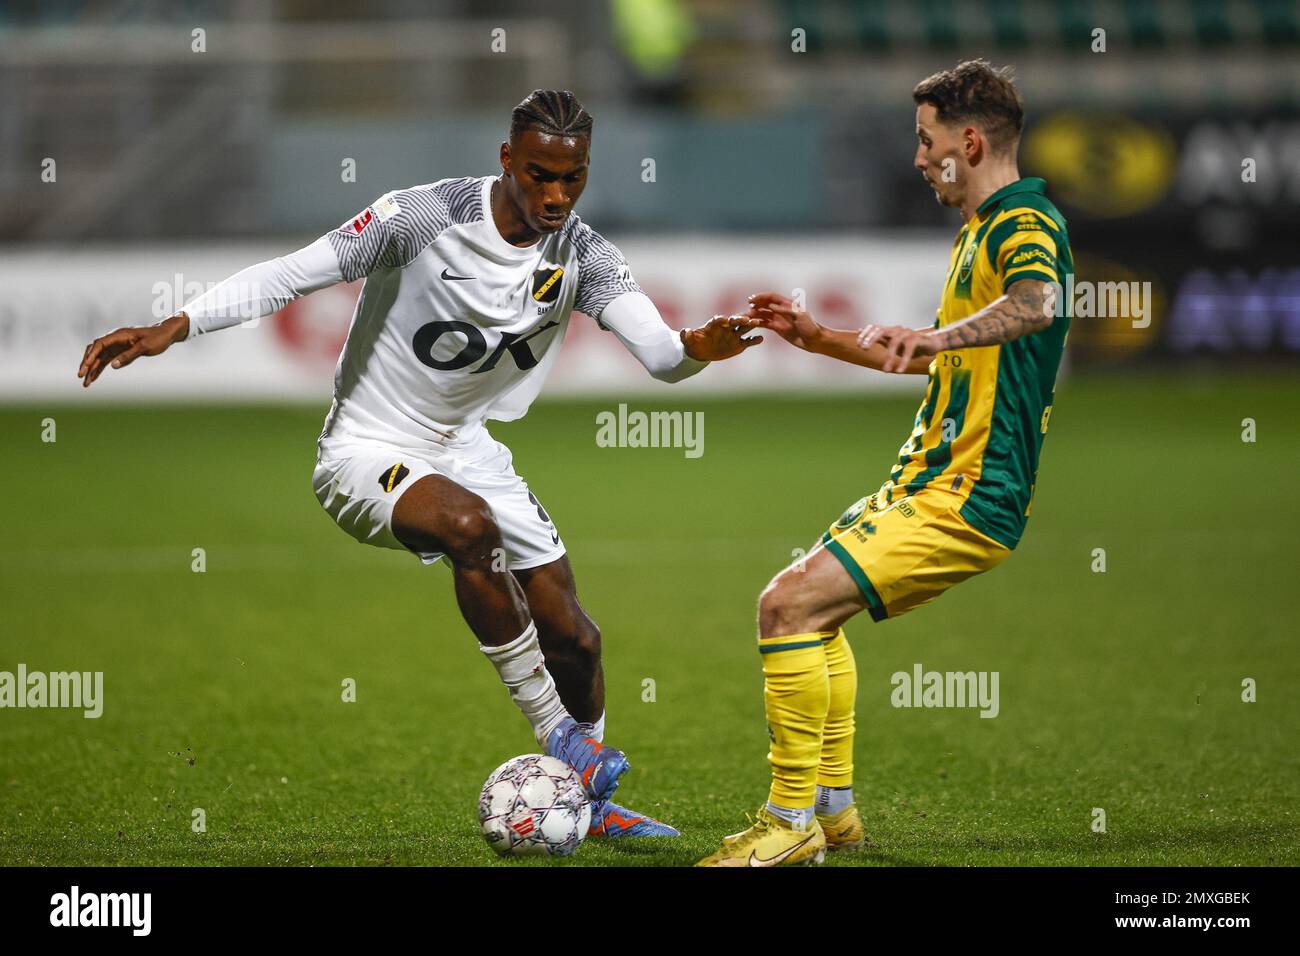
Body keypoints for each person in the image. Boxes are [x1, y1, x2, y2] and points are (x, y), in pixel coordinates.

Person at [78, 89, 761, 838]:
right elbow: (292, 273)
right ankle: (557, 736)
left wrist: (699, 349)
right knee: (467, 528)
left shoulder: (584, 256)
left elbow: (661, 356)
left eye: (574, 178)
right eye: (539, 175)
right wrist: (174, 324)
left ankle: (587, 807)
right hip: (364, 449)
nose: (556, 196)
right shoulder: (423, 218)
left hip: (467, 446)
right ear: (506, 159)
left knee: (578, 638)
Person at [699, 60, 1074, 866]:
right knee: (812, 610)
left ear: (968, 142)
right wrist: (819, 338)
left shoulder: (1022, 222)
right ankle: (832, 816)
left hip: (973, 493)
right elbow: (933, 362)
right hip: (930, 481)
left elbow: (1039, 304)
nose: (917, 158)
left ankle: (788, 823)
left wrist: (939, 334)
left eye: (925, 140)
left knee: (785, 606)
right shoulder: (980, 232)